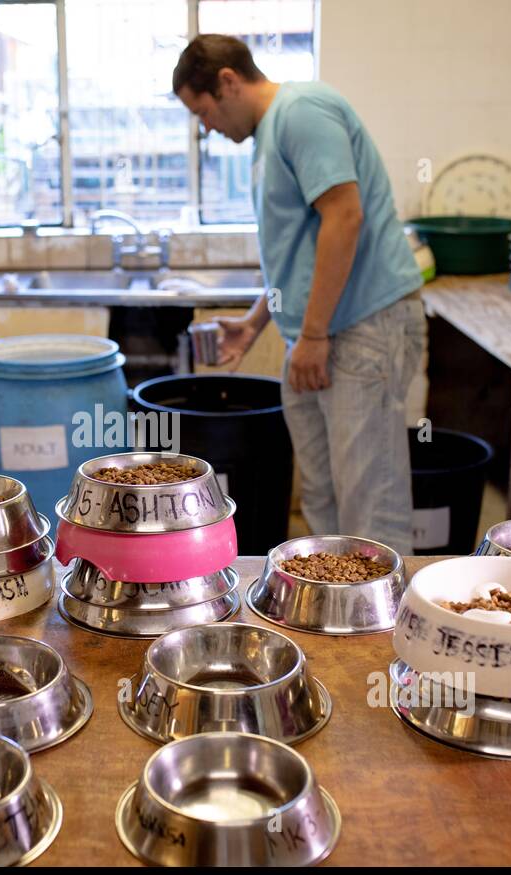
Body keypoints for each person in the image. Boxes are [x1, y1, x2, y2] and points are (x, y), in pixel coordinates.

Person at [173, 35, 427, 554]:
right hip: (317, 334)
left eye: (203, 111)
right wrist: (256, 322)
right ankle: (336, 623)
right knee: (323, 501)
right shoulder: (271, 135)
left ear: (227, 81)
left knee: (369, 504)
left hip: (363, 325)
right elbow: (302, 249)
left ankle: (379, 631)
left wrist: (313, 334)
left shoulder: (302, 110)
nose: (207, 128)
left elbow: (344, 215)